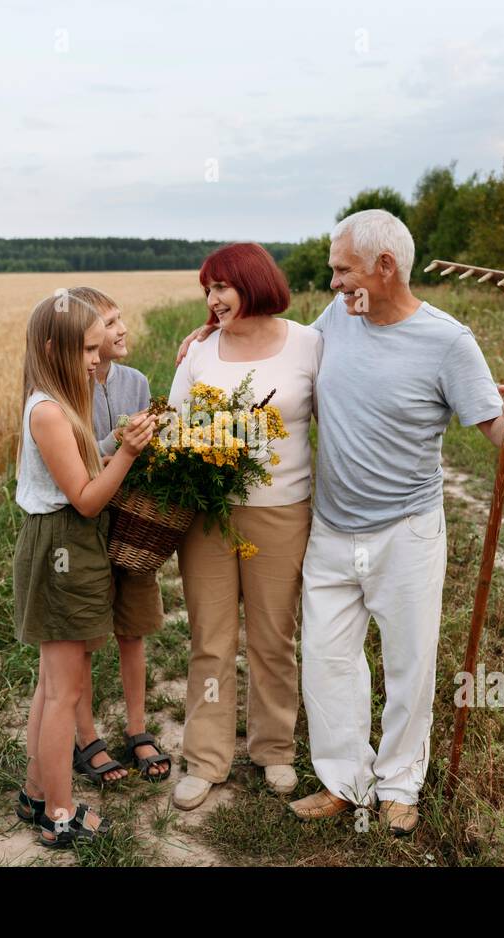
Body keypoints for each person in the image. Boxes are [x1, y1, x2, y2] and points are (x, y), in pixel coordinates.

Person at [175, 211, 504, 835]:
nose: (335, 281)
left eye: (343, 269)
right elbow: (271, 343)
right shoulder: (334, 323)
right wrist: (207, 329)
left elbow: (497, 431)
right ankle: (345, 782)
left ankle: (400, 786)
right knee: (327, 661)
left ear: (385, 267)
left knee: (408, 662)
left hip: (406, 529)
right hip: (329, 528)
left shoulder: (449, 341)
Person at [167, 243, 322, 811]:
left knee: (273, 636)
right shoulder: (201, 349)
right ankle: (206, 758)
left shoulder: (308, 343)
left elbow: (336, 418)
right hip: (208, 514)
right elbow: (176, 427)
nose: (211, 299)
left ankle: (274, 749)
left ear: (252, 284)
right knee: (210, 638)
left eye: (221, 288)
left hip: (282, 511)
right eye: (206, 290)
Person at [12, 290, 156, 848]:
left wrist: (115, 443)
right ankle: (60, 813)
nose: (98, 360)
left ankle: (34, 794)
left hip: (64, 545)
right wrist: (127, 453)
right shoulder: (48, 411)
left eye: (100, 347)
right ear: (54, 347)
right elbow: (88, 498)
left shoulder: (53, 399)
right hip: (62, 548)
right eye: (88, 349)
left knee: (52, 687)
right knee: (65, 694)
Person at [63, 285, 172, 785]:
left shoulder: (136, 381)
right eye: (108, 324)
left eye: (120, 319)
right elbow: (80, 459)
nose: (121, 329)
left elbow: (144, 454)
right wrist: (121, 442)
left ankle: (138, 728)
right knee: (84, 637)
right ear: (83, 337)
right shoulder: (66, 391)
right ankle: (85, 738)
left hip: (132, 526)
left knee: (132, 628)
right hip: (85, 527)